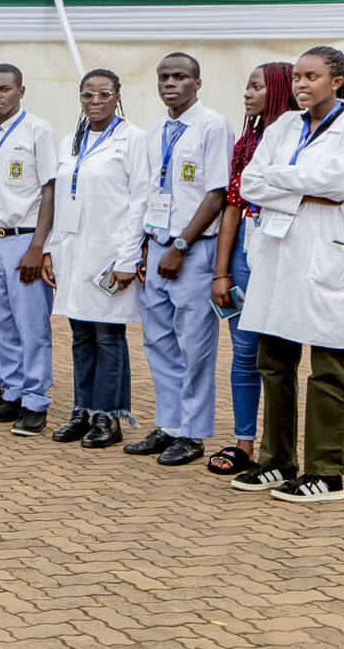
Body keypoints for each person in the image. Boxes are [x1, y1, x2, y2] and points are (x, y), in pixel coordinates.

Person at [231, 47, 344, 503]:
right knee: (274, 363)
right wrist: (307, 182)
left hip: (327, 258)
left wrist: (285, 181)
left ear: (336, 81)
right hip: (278, 254)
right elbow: (250, 182)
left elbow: (342, 183)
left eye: (311, 76)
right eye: (296, 76)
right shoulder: (283, 126)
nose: (300, 84)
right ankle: (276, 461)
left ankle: (327, 472)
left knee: (328, 368)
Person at [124, 52, 233, 467]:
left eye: (180, 77)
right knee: (159, 341)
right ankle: (169, 424)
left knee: (195, 344)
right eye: (164, 77)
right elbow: (150, 193)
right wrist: (146, 247)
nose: (170, 83)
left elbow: (217, 193)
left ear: (197, 83)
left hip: (192, 252)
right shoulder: (156, 130)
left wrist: (182, 245)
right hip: (157, 248)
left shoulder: (212, 126)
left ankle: (192, 432)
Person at [44, 69, 148, 450]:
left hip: (110, 253)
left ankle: (109, 414)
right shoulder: (70, 141)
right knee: (80, 334)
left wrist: (127, 257)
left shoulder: (133, 140)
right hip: (73, 251)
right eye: (88, 95)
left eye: (104, 94)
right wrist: (50, 250)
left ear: (117, 95)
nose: (95, 102)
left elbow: (139, 202)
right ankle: (83, 409)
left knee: (109, 334)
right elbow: (58, 198)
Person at [206, 62, 296, 475]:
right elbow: (232, 206)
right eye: (246, 86)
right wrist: (222, 270)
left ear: (277, 91)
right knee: (243, 352)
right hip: (245, 249)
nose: (247, 94)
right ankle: (244, 442)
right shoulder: (247, 141)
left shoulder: (304, 140)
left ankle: (279, 446)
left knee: (278, 354)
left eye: (256, 87)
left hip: (286, 250)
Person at [0, 64, 60, 436]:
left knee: (31, 324)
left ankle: (36, 402)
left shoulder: (39, 131)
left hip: (24, 239)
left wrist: (38, 246)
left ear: (21, 91)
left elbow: (49, 191)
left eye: (4, 89)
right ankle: (12, 393)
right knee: (2, 323)